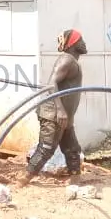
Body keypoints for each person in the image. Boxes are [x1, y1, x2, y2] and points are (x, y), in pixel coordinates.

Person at [20, 28, 86, 186]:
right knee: (46, 149)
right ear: (73, 43)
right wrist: (60, 109)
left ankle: (75, 182)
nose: (84, 43)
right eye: (81, 40)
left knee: (72, 149)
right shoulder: (67, 59)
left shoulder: (72, 61)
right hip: (54, 115)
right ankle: (21, 181)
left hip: (64, 117)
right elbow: (51, 83)